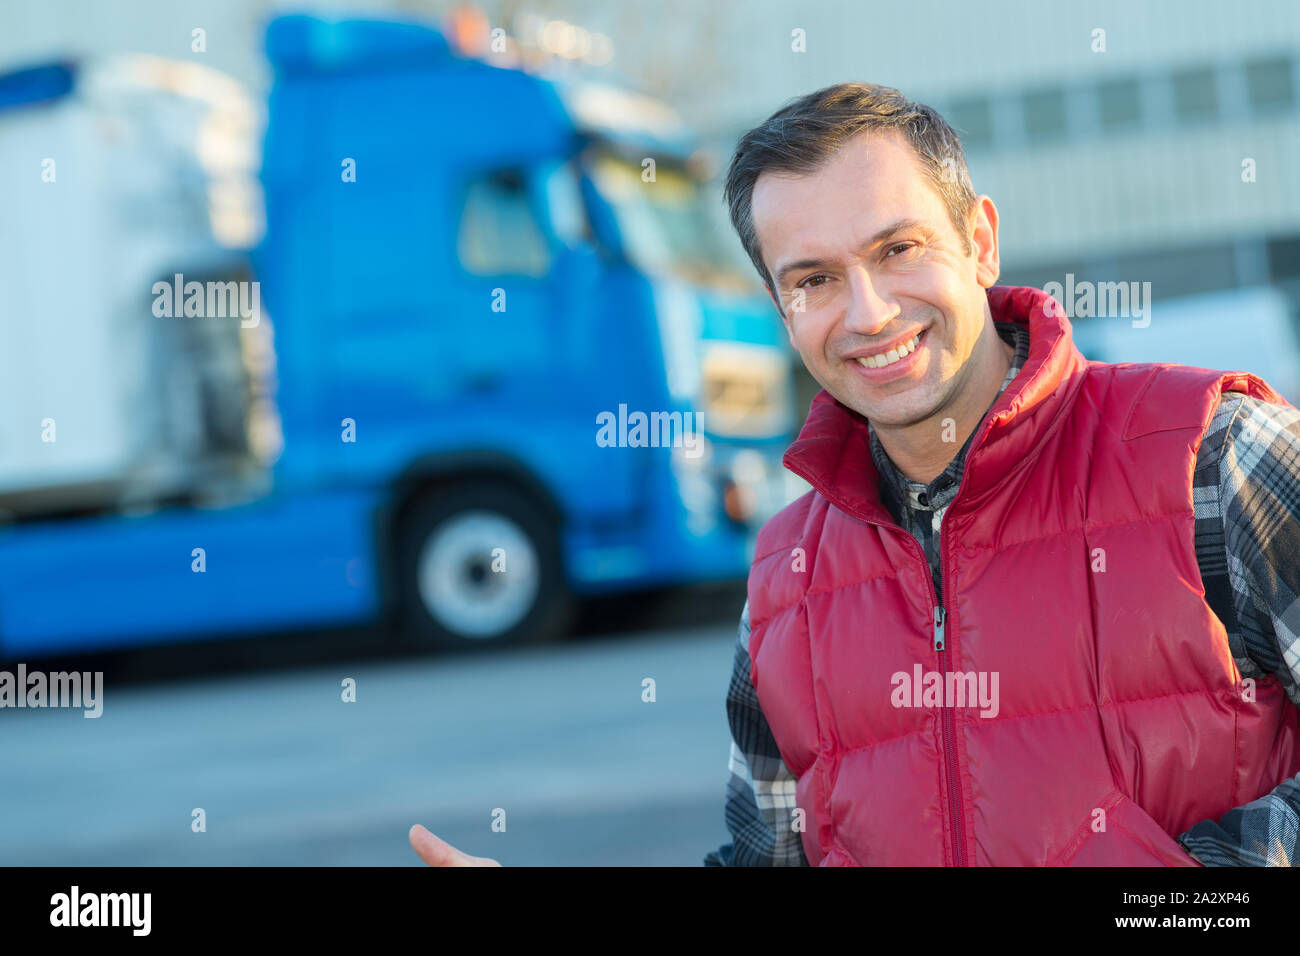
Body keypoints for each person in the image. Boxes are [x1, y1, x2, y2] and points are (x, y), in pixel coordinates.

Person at [409, 82, 1300, 867]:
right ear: (783, 308)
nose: (869, 314)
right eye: (815, 279)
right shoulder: (784, 578)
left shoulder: (1218, 457)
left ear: (980, 242)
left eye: (898, 249)